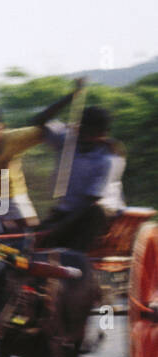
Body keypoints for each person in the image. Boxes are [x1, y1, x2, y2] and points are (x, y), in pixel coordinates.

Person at [0, 79, 84, 239]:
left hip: (14, 194)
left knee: (33, 234)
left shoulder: (15, 138)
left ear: (0, 127)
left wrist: (72, 100)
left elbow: (42, 125)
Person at [38, 104, 126, 253]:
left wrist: (59, 227)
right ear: (79, 126)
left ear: (103, 133)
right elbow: (40, 120)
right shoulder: (67, 140)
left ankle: (76, 259)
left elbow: (90, 202)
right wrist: (72, 96)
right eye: (83, 129)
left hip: (96, 214)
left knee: (94, 213)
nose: (85, 135)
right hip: (68, 212)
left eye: (92, 132)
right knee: (34, 238)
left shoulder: (109, 159)